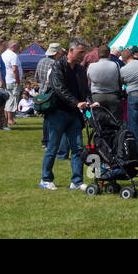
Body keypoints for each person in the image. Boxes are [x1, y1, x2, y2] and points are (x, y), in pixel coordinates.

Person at [40, 39, 90, 191]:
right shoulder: (58, 66)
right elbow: (59, 89)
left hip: (74, 114)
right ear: (71, 51)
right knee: (53, 147)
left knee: (78, 148)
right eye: (81, 52)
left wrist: (90, 101)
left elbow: (85, 89)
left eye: (84, 52)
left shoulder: (80, 70)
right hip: (57, 113)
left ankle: (77, 181)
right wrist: (76, 103)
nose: (83, 55)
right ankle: (46, 179)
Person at [87, 43, 124, 128]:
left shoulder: (91, 66)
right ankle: (116, 139)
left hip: (96, 96)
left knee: (99, 122)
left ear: (98, 54)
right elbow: (120, 80)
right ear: (109, 54)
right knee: (116, 122)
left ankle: (101, 139)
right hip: (113, 96)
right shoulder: (115, 65)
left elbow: (88, 80)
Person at [2, 39, 22, 126]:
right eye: (18, 46)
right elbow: (14, 69)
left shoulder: (3, 54)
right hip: (12, 80)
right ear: (13, 46)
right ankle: (10, 119)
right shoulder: (13, 55)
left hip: (6, 80)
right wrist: (17, 80)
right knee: (12, 100)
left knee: (7, 100)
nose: (19, 48)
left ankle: (6, 118)